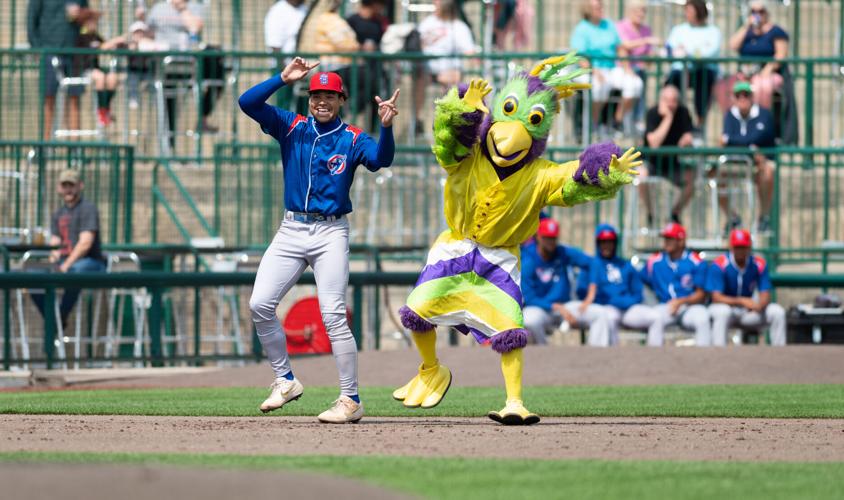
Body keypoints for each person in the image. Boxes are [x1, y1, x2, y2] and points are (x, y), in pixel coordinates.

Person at [393, 54, 641, 425]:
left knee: (510, 328)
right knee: (417, 309)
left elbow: (574, 179)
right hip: (456, 247)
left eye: (532, 119)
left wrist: (606, 168)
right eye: (509, 110)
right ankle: (430, 369)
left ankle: (514, 402)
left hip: (499, 259)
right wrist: (464, 111)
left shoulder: (540, 174)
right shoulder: (470, 153)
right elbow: (448, 140)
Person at [238, 57, 400, 423]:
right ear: (309, 100)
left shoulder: (353, 138)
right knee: (260, 304)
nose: (321, 101)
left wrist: (387, 127)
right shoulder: (291, 125)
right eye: (316, 96)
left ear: (341, 100)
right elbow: (247, 102)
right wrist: (281, 79)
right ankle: (285, 380)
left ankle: (350, 399)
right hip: (291, 229)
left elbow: (381, 159)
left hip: (330, 232)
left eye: (329, 96)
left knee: (333, 315)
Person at [32, 169, 106, 327]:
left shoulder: (87, 209)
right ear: (59, 188)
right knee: (31, 275)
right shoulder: (58, 214)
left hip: (90, 263)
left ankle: (60, 316)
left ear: (80, 186)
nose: (68, 189)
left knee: (76, 272)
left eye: (71, 185)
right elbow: (55, 245)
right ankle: (53, 318)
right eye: (64, 185)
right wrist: (53, 262)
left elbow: (85, 243)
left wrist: (65, 266)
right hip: (65, 263)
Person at [520, 217, 603, 346]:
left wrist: (591, 292)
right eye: (547, 237)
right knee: (529, 320)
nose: (550, 242)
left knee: (601, 314)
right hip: (541, 308)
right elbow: (530, 299)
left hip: (566, 306)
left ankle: (596, 354)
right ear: (538, 237)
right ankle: (543, 352)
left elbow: (593, 263)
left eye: (553, 238)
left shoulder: (562, 252)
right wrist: (556, 307)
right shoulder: (528, 259)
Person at [147, 0, 221, 136]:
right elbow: (148, 33)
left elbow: (195, 27)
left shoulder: (195, 7)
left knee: (217, 73)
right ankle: (169, 140)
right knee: (167, 102)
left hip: (190, 64)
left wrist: (182, 9)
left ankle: (202, 118)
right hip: (163, 64)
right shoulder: (158, 8)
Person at [570, 0, 643, 136]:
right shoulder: (581, 29)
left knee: (635, 83)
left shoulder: (609, 25)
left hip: (611, 68)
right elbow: (580, 56)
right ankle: (594, 124)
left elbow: (620, 48)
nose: (601, 9)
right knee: (598, 86)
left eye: (601, 7)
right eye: (597, 7)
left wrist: (627, 68)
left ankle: (616, 122)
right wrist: (594, 70)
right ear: (588, 10)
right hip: (590, 70)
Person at [706, 229, 786, 346]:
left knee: (777, 312)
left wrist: (759, 305)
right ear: (731, 247)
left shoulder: (758, 263)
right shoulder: (720, 264)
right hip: (728, 310)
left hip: (749, 312)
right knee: (722, 312)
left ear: (749, 247)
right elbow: (716, 298)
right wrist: (742, 301)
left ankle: (780, 352)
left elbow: (765, 294)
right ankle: (719, 352)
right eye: (737, 247)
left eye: (743, 247)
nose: (740, 250)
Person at [587, 224, 662, 346]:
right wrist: (608, 301)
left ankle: (655, 354)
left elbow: (637, 292)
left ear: (615, 243)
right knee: (608, 317)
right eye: (603, 242)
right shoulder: (593, 265)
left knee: (656, 318)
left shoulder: (625, 265)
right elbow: (586, 292)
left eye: (610, 242)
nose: (606, 245)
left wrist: (626, 302)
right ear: (598, 243)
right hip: (607, 308)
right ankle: (613, 354)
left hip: (628, 309)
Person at [639, 222, 711, 346]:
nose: (666, 242)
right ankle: (653, 356)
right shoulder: (654, 261)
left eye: (670, 239)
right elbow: (640, 282)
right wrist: (651, 303)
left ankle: (705, 356)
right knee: (654, 318)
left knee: (703, 318)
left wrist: (681, 302)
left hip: (690, 307)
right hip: (665, 306)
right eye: (665, 238)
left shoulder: (696, 261)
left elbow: (701, 295)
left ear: (681, 241)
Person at [27, 0, 89, 139]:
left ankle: (74, 146)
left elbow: (88, 20)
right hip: (49, 52)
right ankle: (44, 144)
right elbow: (31, 21)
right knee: (48, 98)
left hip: (74, 53)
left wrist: (80, 15)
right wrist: (37, 49)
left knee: (74, 98)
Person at [720, 81, 776, 232]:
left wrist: (732, 141)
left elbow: (757, 137)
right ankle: (733, 218)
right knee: (714, 174)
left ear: (752, 97)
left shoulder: (764, 115)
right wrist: (750, 147)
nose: (742, 98)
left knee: (767, 172)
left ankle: (764, 217)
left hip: (759, 164)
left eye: (746, 95)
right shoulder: (730, 115)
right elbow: (735, 140)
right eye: (738, 95)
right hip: (737, 162)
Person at [413, 0, 476, 134]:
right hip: (427, 71)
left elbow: (469, 51)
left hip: (449, 71)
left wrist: (475, 60)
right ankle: (417, 121)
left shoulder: (459, 26)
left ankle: (448, 121)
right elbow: (416, 43)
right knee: (419, 77)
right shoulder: (427, 23)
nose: (436, 4)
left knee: (453, 78)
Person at [640, 85, 695, 226]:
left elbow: (689, 136)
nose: (670, 104)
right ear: (660, 101)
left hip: (672, 164)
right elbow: (654, 144)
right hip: (651, 163)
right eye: (667, 100)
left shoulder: (683, 112)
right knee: (641, 176)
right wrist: (668, 118)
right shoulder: (652, 113)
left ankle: (674, 214)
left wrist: (687, 140)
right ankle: (651, 214)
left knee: (692, 177)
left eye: (674, 101)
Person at [664, 0, 721, 128]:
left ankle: (700, 122)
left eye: (690, 11)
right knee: (672, 82)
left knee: (703, 81)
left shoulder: (713, 31)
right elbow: (670, 49)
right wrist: (693, 52)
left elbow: (709, 53)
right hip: (680, 71)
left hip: (703, 70)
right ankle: (674, 122)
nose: (687, 14)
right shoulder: (678, 30)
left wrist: (688, 52)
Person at [726, 0, 789, 111]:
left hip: (767, 74)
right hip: (745, 74)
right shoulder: (747, 31)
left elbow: (781, 54)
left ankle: (760, 118)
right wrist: (746, 26)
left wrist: (768, 69)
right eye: (753, 12)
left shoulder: (776, 31)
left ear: (767, 13)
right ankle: (733, 119)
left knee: (761, 86)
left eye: (761, 11)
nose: (757, 15)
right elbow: (732, 45)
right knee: (723, 86)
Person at [73, 9, 126, 127]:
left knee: (112, 78)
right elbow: (102, 47)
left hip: (96, 69)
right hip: (83, 69)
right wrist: (115, 40)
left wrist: (119, 44)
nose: (95, 24)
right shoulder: (81, 36)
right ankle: (101, 112)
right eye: (92, 21)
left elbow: (107, 45)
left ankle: (106, 109)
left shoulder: (95, 36)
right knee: (100, 77)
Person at [616, 0, 659, 130]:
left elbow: (649, 53)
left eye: (643, 11)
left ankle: (637, 119)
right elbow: (625, 45)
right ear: (630, 11)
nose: (641, 14)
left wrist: (652, 55)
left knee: (640, 79)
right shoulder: (621, 26)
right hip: (622, 68)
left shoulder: (646, 29)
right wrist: (646, 41)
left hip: (640, 69)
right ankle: (628, 119)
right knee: (636, 82)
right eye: (637, 11)